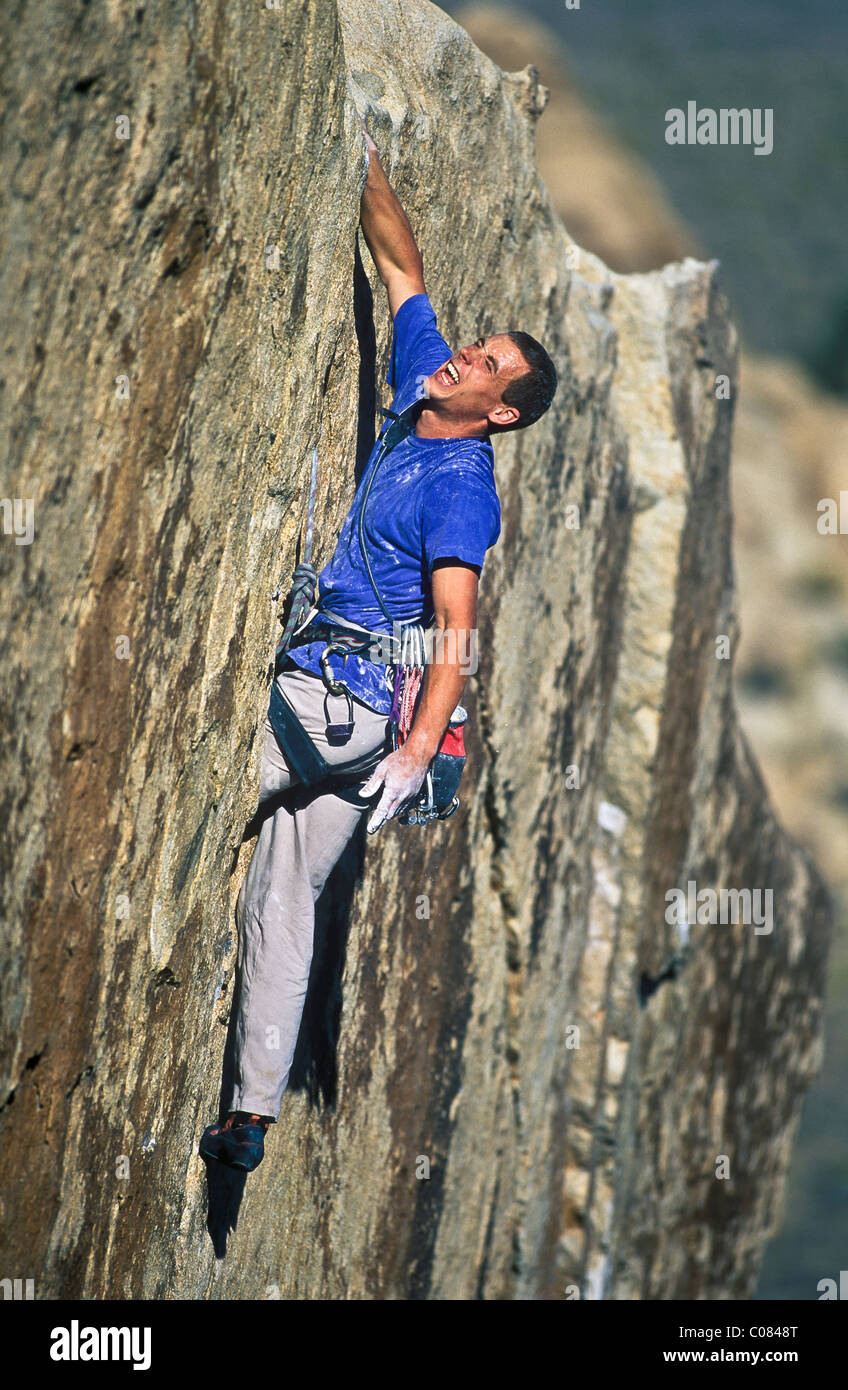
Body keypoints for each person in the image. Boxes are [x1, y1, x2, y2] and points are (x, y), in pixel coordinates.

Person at [200, 118, 558, 1173]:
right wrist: (358, 150)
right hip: (352, 721)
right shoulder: (419, 386)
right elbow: (399, 263)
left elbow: (456, 633)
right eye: (477, 344)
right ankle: (251, 1114)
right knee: (284, 890)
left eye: (485, 364)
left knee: (218, 780)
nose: (465, 354)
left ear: (499, 414)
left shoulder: (460, 491)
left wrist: (415, 753)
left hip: (337, 702)